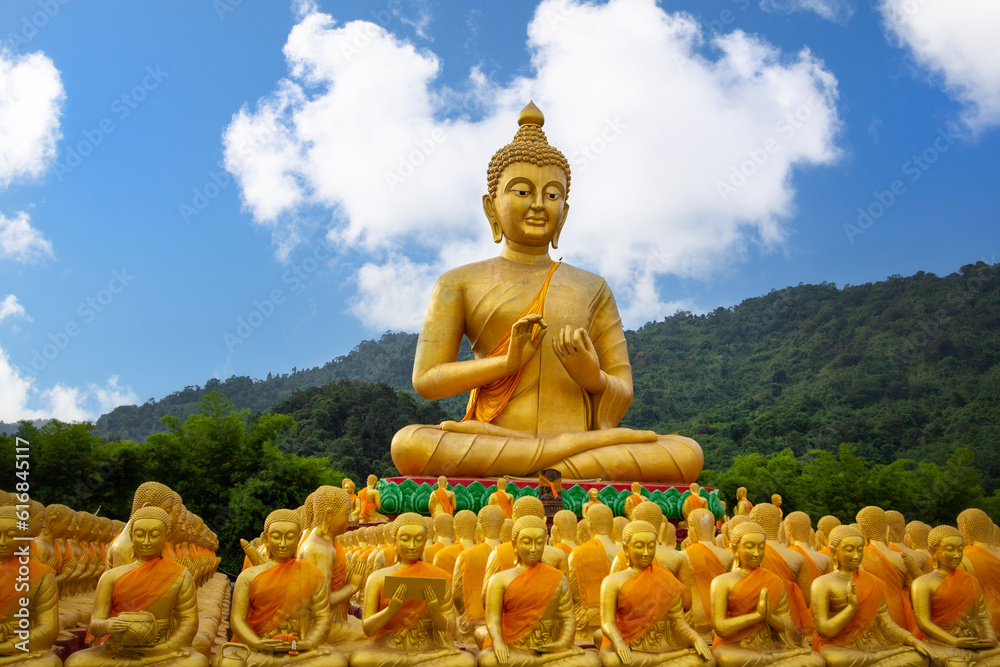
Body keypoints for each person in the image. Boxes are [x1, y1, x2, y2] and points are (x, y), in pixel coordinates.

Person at [390, 102, 702, 484]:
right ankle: (556, 468)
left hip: (576, 443)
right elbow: (426, 379)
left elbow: (622, 386)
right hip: (501, 439)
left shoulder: (593, 287)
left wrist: (594, 378)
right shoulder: (458, 282)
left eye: (552, 195)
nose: (539, 204)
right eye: (522, 191)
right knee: (409, 444)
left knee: (687, 453)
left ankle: (538, 466)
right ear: (492, 208)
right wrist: (505, 363)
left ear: (564, 212)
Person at [67, 507, 208, 667]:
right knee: (76, 662)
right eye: (140, 535)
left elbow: (189, 621)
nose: (146, 542)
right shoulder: (111, 577)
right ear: (132, 537)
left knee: (197, 662)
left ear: (164, 538)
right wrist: (107, 625)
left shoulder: (180, 574)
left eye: (154, 535)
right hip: (118, 649)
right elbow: (95, 625)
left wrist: (164, 648)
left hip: (161, 650)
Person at [479, 517, 598, 667]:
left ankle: (540, 661)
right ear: (515, 544)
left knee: (591, 661)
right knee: (487, 660)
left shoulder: (557, 578)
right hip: (514, 649)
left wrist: (560, 644)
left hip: (549, 648)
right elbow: (492, 620)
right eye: (527, 542)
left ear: (546, 543)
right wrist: (498, 642)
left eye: (539, 543)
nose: (533, 548)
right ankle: (541, 662)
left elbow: (568, 618)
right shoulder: (499, 580)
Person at [810, 525, 931, 667]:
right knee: (832, 659)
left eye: (860, 549)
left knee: (919, 657)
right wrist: (851, 608)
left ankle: (878, 659)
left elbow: (887, 624)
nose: (856, 556)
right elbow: (824, 631)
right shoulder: (822, 584)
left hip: (875, 646)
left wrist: (913, 640)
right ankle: (881, 659)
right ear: (834, 552)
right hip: (840, 648)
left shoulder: (874, 583)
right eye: (849, 550)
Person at [600, 520, 713, 667]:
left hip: (664, 647)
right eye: (639, 546)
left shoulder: (666, 580)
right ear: (626, 548)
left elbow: (678, 622)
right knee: (611, 660)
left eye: (651, 546)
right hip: (631, 647)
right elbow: (608, 622)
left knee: (708, 661)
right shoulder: (612, 582)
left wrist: (695, 639)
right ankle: (664, 660)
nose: (646, 553)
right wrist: (618, 642)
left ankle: (661, 659)